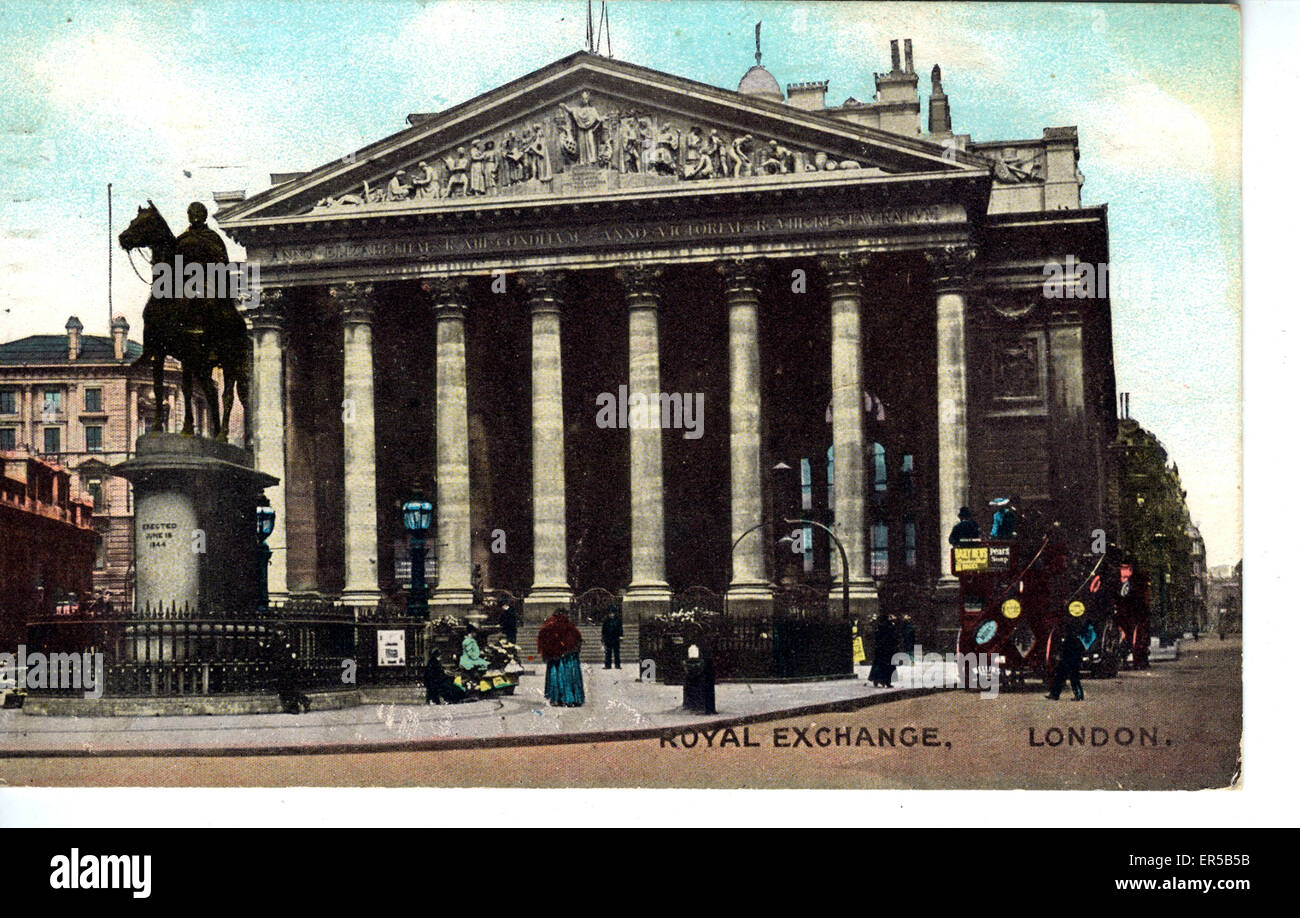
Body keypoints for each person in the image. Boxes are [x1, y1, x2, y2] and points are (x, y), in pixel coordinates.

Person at [538, 610, 585, 707]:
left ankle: (557, 698)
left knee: (557, 678)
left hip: (556, 658)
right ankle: (572, 698)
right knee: (569, 678)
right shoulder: (570, 627)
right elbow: (577, 640)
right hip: (569, 658)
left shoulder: (548, 627)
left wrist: (548, 654)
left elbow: (544, 641)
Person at [1046, 623, 1085, 700]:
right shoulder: (1071, 639)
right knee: (1060, 678)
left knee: (1073, 679)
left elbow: (1071, 651)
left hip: (1071, 662)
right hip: (1066, 662)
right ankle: (1055, 694)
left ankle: (1079, 695)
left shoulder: (1072, 639)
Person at [868, 613, 899, 688]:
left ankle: (877, 679)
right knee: (888, 666)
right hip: (888, 649)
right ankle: (887, 681)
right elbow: (894, 638)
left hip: (880, 649)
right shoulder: (890, 627)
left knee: (879, 664)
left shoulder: (880, 626)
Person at [601, 605, 623, 669]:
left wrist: (621, 636)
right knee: (608, 653)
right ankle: (608, 665)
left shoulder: (618, 620)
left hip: (615, 638)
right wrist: (603, 638)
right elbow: (603, 630)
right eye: (610, 613)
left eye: (612, 613)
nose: (611, 615)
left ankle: (617, 665)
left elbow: (620, 629)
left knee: (616, 653)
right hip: (608, 639)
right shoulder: (606, 621)